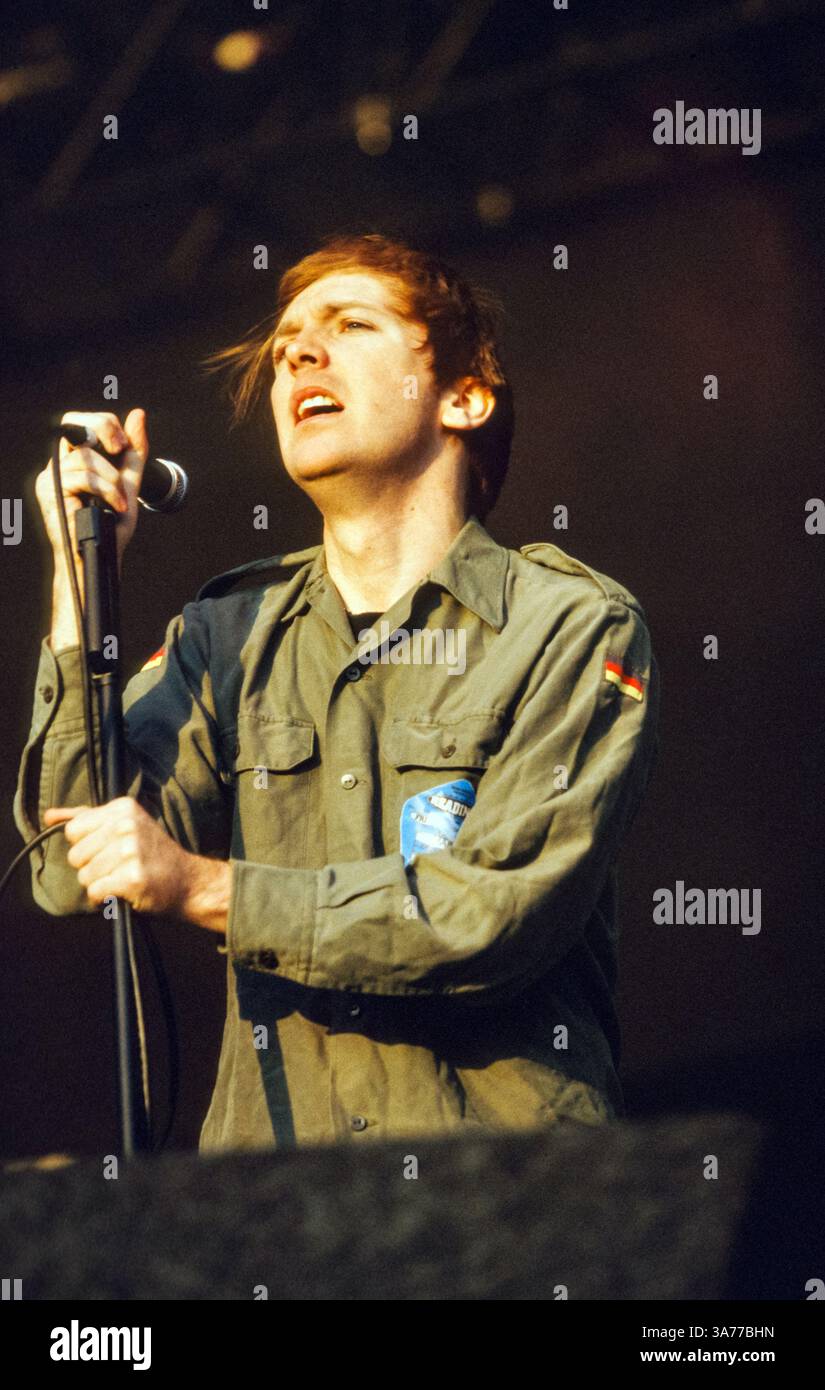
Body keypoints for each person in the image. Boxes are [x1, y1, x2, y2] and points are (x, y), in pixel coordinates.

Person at [14, 233, 659, 1151]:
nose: (301, 355)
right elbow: (67, 869)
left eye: (350, 325)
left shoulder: (568, 624)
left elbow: (491, 915)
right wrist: (82, 585)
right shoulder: (225, 632)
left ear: (464, 394)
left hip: (501, 1215)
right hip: (276, 1222)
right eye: (285, 349)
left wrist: (204, 888)